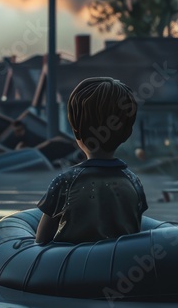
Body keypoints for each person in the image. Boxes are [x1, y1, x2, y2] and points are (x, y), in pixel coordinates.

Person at [35, 77, 148, 245]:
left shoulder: (65, 182)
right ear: (127, 133)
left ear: (76, 131)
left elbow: (41, 240)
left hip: (69, 266)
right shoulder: (133, 182)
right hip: (121, 264)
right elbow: (135, 230)